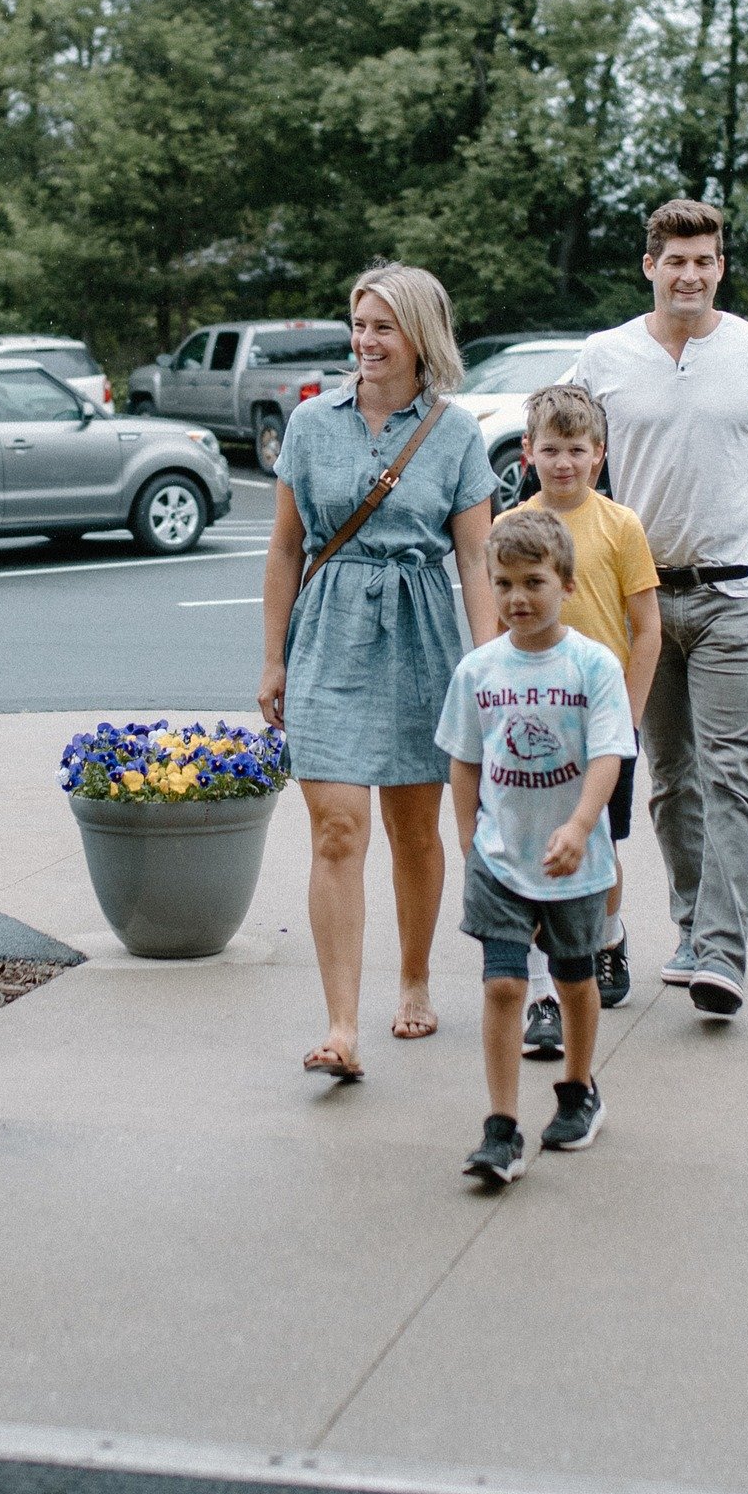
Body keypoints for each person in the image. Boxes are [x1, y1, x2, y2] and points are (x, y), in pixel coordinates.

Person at [573, 198, 748, 1020]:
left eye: (705, 260)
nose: (691, 274)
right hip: (640, 602)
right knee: (669, 779)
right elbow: (564, 458)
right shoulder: (603, 356)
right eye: (675, 260)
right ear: (649, 266)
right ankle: (689, 927)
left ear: (721, 266)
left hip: (734, 597)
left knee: (731, 773)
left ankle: (722, 952)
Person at [258, 262, 499, 1080]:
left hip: (423, 631)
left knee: (411, 829)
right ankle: (340, 1026)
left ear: (419, 337)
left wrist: (492, 668)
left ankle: (417, 975)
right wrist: (272, 657)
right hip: (327, 630)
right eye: (358, 324)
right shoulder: (312, 425)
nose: (364, 341)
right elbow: (286, 547)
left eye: (382, 327)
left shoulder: (457, 432)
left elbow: (475, 561)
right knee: (336, 828)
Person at [437, 511, 636, 1184]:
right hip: (501, 858)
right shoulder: (479, 670)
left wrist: (580, 826)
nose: (518, 597)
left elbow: (610, 752)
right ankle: (501, 1128)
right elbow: (465, 758)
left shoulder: (592, 665)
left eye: (534, 582)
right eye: (504, 583)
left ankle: (578, 1090)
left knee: (577, 979)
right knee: (502, 985)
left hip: (574, 863)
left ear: (568, 585)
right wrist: (469, 837)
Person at [503, 383, 659, 1056]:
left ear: (599, 455)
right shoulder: (515, 526)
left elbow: (646, 628)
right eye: (550, 451)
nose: (562, 463)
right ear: (527, 454)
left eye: (576, 450)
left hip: (603, 717)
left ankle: (608, 935)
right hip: (535, 715)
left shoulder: (619, 526)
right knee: (538, 846)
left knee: (599, 844)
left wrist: (628, 715)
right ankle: (544, 990)